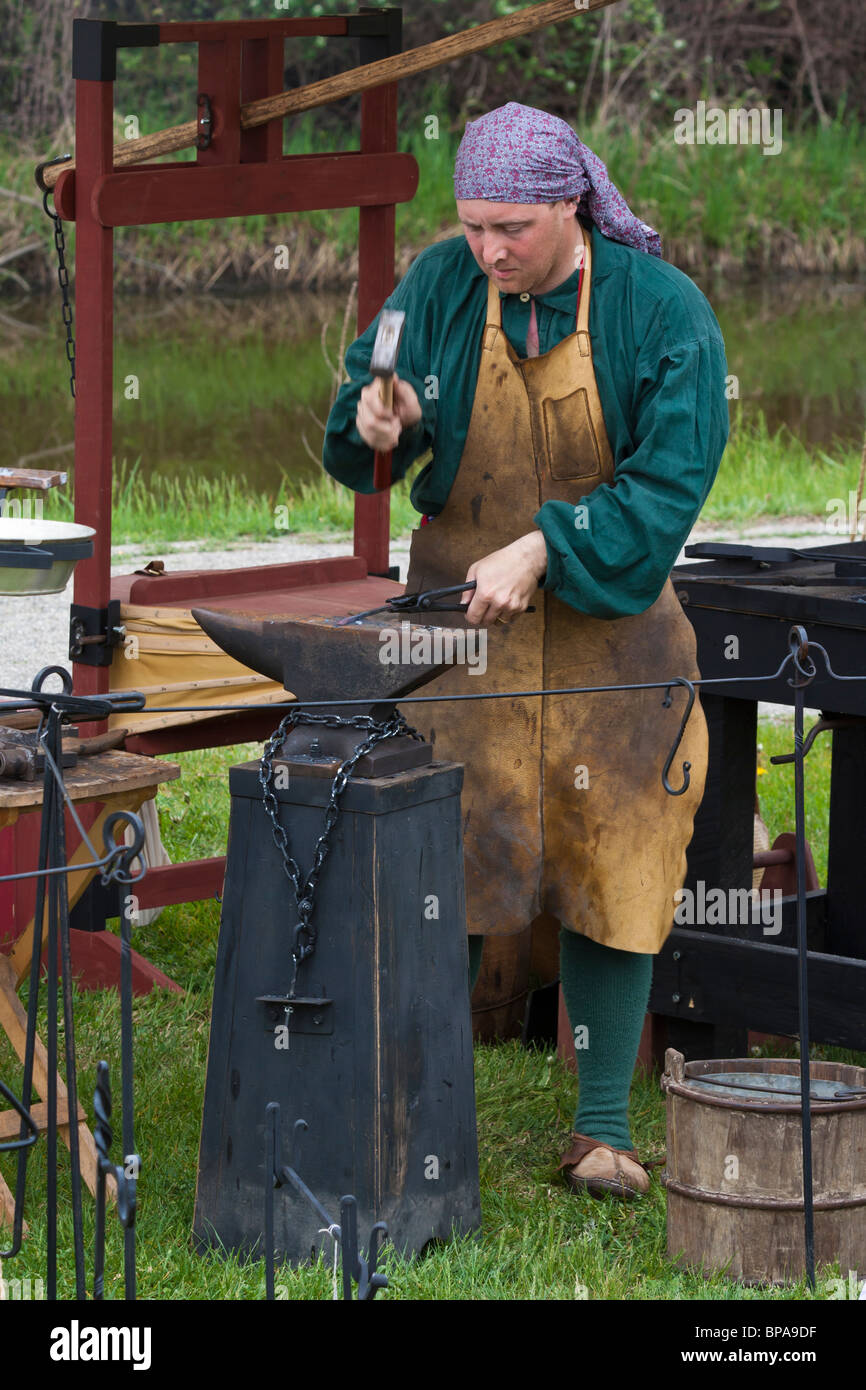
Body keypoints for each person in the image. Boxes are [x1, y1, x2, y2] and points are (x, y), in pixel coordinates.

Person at [323, 102, 728, 1201]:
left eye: (512, 228)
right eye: (472, 227)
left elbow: (663, 490)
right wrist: (379, 425)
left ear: (569, 206)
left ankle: (601, 1129)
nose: (490, 252)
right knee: (442, 849)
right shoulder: (441, 285)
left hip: (614, 637)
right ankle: (411, 1106)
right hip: (458, 631)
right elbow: (361, 418)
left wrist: (548, 545)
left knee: (617, 853)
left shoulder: (663, 314)